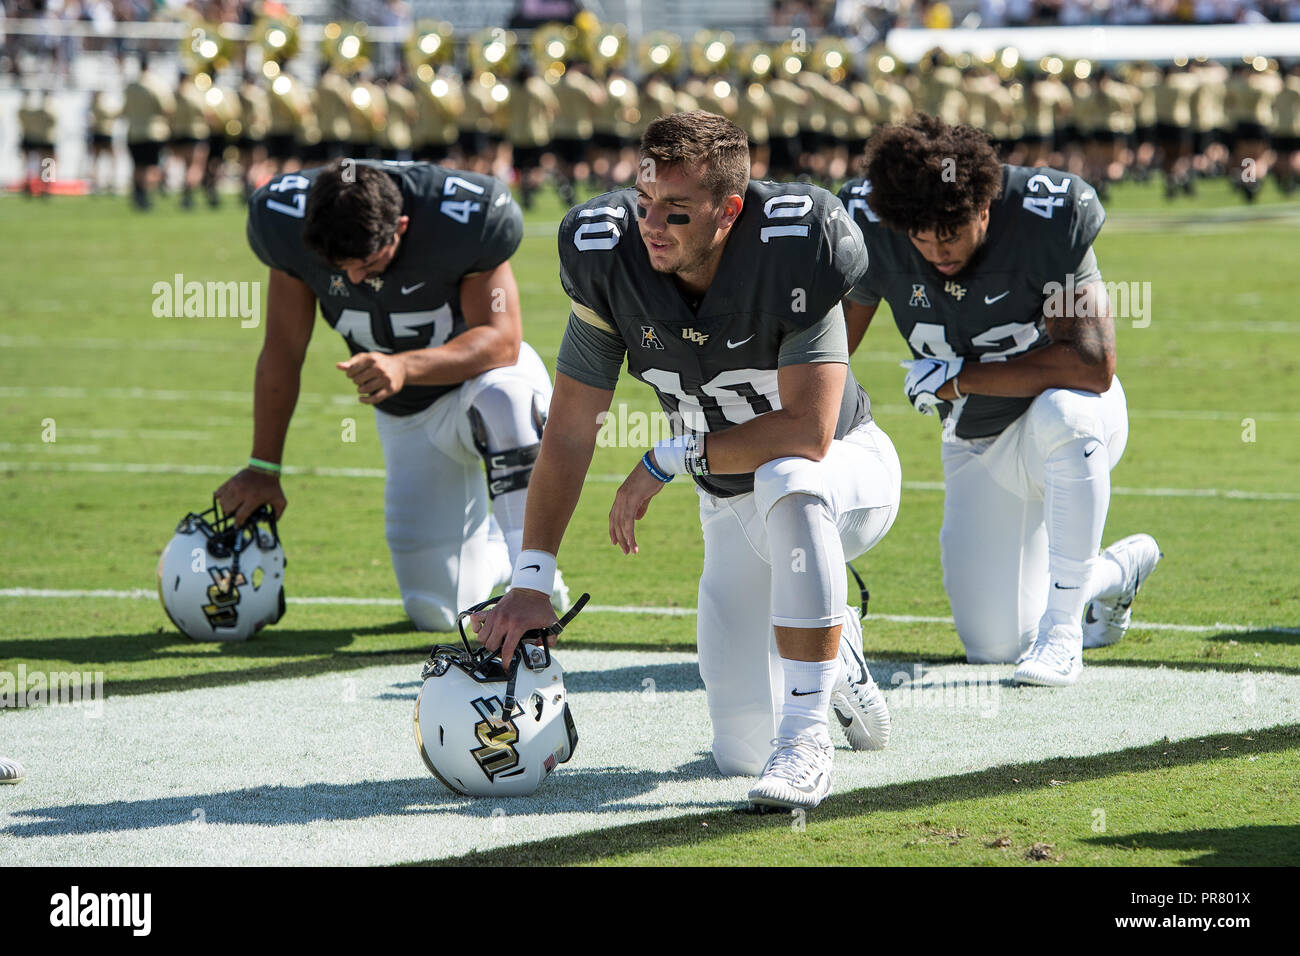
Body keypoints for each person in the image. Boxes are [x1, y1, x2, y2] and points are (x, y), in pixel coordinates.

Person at [475, 112, 901, 810]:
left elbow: (809, 430)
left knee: (789, 478)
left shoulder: (796, 243)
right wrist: (531, 577)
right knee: (737, 753)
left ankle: (805, 741)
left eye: (676, 213)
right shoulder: (606, 255)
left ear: (730, 210)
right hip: (727, 500)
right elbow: (573, 426)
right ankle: (834, 641)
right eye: (644, 205)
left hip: (845, 473)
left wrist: (671, 454)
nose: (651, 226)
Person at [839, 114, 1161, 686]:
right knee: (995, 644)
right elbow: (828, 353)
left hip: (1064, 422)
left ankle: (1064, 634)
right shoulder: (872, 223)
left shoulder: (1046, 216)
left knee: (1068, 412)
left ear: (985, 206)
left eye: (950, 232)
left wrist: (961, 376)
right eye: (920, 235)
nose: (936, 250)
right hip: (977, 442)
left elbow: (1091, 365)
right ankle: (1113, 572)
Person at [217, 159, 567, 632]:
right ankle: (495, 551)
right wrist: (264, 467)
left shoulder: (464, 216)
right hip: (408, 419)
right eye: (341, 269)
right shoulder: (285, 221)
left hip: (479, 383)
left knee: (506, 401)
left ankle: (533, 582)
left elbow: (501, 339)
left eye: (368, 264)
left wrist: (405, 365)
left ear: (401, 227)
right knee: (436, 610)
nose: (356, 282)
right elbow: (282, 352)